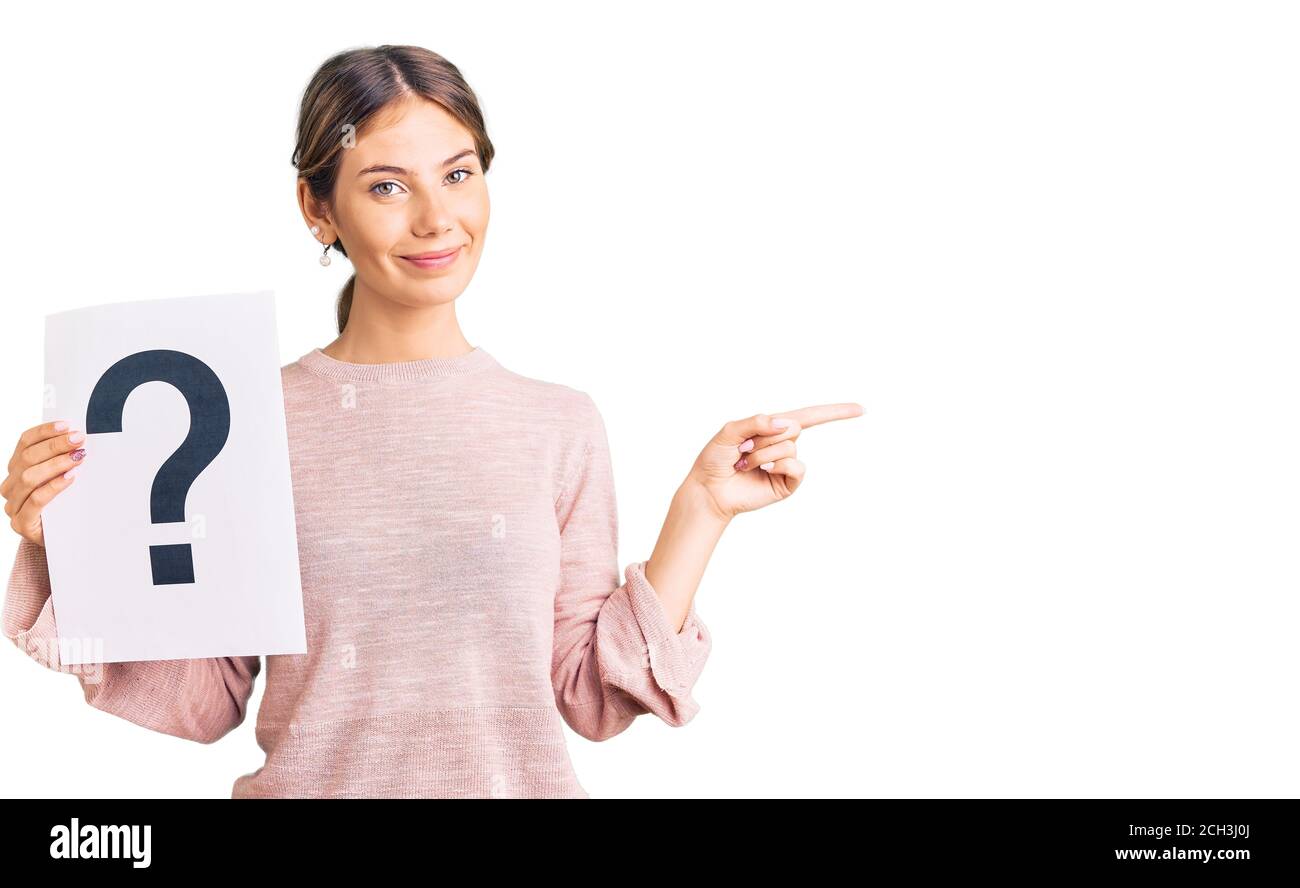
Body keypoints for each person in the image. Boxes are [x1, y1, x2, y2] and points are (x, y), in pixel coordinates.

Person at [1, 45, 862, 798]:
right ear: (318, 208)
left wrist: (701, 510)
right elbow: (209, 698)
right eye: (386, 186)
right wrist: (65, 542)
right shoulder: (241, 419)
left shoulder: (556, 424)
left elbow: (588, 698)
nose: (436, 219)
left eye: (459, 173)